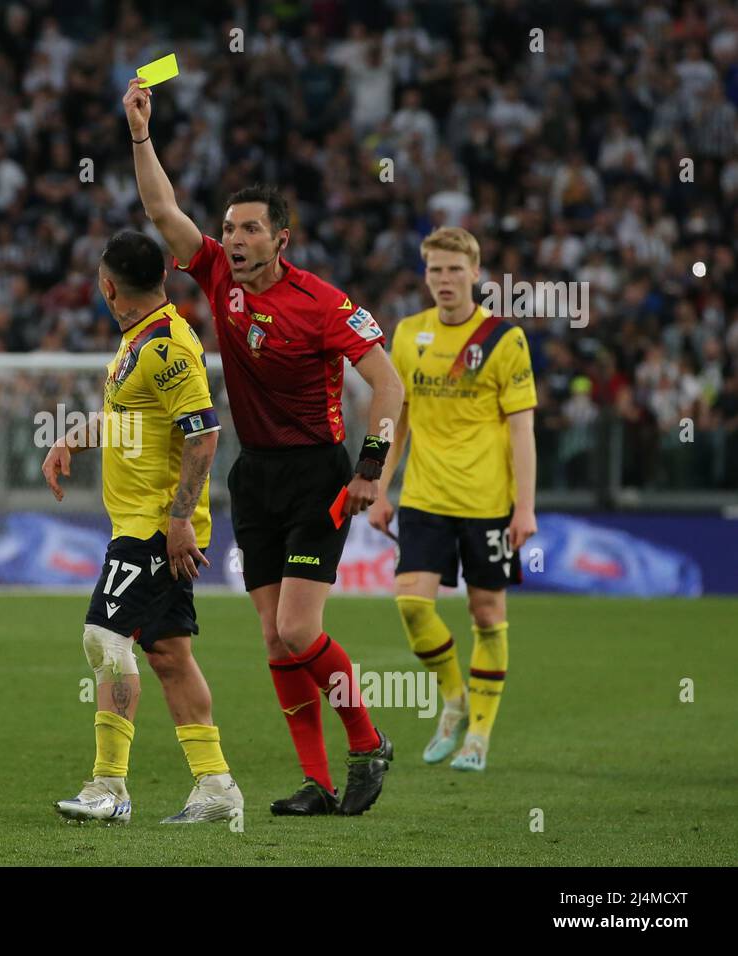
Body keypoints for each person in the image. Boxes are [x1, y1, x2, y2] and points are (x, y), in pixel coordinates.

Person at [124, 78, 406, 816]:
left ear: (281, 238)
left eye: (251, 229)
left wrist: (372, 470)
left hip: (319, 476)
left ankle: (369, 741)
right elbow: (160, 210)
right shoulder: (217, 274)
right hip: (255, 479)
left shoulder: (324, 303)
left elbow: (389, 385)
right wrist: (141, 133)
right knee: (275, 645)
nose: (236, 239)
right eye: (231, 227)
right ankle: (316, 782)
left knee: (296, 628)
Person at [42, 230, 243, 824]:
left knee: (105, 639)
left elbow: (204, 433)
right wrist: (72, 438)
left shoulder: (166, 349)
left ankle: (109, 788)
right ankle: (216, 789)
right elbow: (131, 420)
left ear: (108, 286)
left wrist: (179, 518)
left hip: (154, 526)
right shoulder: (139, 342)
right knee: (169, 656)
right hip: (143, 523)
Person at [370, 226, 538, 771]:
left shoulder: (503, 339)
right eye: (435, 270)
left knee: (486, 615)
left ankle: (480, 738)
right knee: (412, 604)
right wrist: (378, 486)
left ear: (475, 273)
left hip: (488, 502)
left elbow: (522, 430)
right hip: (424, 496)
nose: (444, 279)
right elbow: (400, 420)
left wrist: (525, 506)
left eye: (454, 269)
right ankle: (454, 698)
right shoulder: (408, 334)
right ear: (426, 275)